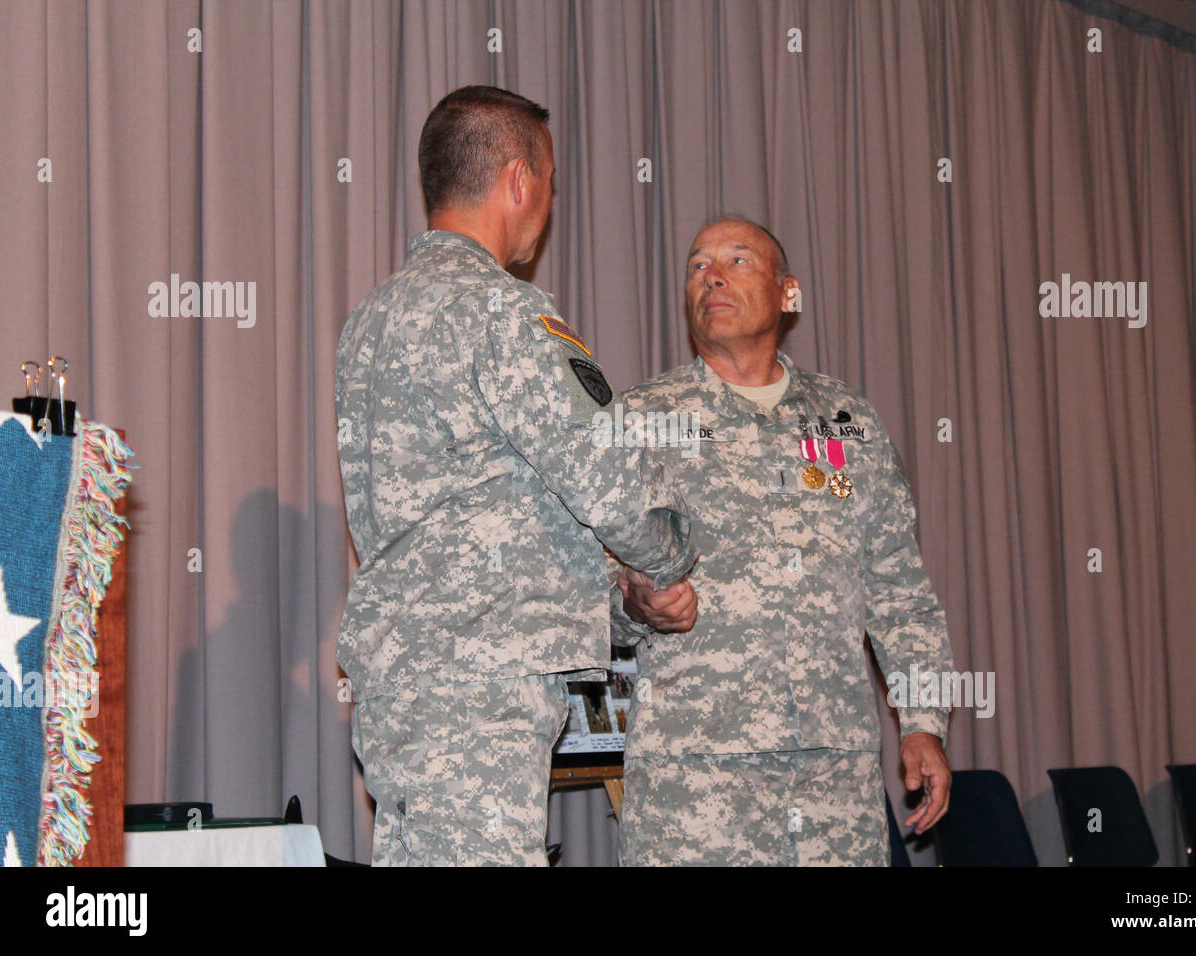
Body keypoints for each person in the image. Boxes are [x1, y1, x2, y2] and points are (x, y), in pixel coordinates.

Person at [334, 86, 697, 866]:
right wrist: (668, 560)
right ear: (520, 181)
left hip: (403, 676)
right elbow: (607, 476)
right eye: (552, 181)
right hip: (480, 687)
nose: (548, 202)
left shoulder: (371, 320)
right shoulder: (506, 315)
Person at [612, 216, 953, 866]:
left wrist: (922, 723)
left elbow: (901, 594)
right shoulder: (642, 420)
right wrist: (633, 602)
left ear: (787, 292)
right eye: (697, 265)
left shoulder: (849, 423)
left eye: (737, 260)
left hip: (833, 788)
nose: (711, 275)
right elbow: (592, 582)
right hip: (696, 785)